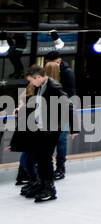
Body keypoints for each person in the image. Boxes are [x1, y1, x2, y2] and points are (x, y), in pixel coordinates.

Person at [20, 63, 67, 203]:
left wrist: (74, 127)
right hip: (41, 128)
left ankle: (49, 188)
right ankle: (41, 184)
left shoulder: (54, 87)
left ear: (38, 77)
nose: (31, 83)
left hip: (51, 130)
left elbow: (68, 105)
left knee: (45, 159)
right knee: (40, 159)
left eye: (31, 80)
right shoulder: (41, 86)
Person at [44, 59, 71, 181]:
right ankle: (60, 167)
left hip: (54, 119)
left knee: (52, 144)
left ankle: (51, 167)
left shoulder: (51, 85)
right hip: (60, 118)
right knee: (60, 143)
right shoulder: (58, 84)